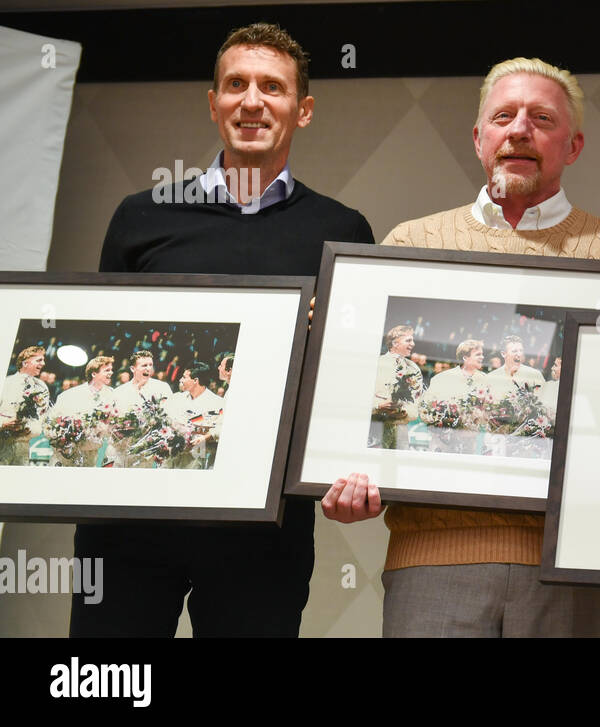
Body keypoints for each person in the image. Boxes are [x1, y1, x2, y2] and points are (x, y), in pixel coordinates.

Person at [323, 57, 600, 637]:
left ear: (573, 144)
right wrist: (347, 470)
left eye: (542, 118)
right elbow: (362, 414)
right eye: (503, 116)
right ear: (480, 138)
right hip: (432, 559)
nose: (520, 129)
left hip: (574, 566)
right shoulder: (410, 246)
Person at [74, 22, 375, 638]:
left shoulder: (343, 232)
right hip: (131, 515)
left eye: (273, 87)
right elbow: (111, 346)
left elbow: (346, 381)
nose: (252, 101)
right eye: (235, 84)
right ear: (214, 104)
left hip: (264, 526)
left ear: (304, 109)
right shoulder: (140, 216)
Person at [44, 355, 115, 467]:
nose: (111, 373)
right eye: (107, 370)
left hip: (91, 454)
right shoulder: (69, 395)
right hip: (65, 454)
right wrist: (62, 440)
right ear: (94, 374)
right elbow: (51, 423)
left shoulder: (111, 395)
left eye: (111, 370)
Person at [108, 351, 173, 468]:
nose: (148, 368)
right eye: (144, 365)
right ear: (133, 368)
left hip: (149, 451)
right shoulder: (119, 391)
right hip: (123, 449)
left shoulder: (162, 388)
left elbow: (169, 417)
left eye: (150, 365)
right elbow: (111, 420)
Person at [161, 362, 224, 470]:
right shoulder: (176, 398)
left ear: (195, 380)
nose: (181, 380)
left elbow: (220, 430)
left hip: (197, 456)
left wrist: (205, 437)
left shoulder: (217, 403)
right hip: (171, 454)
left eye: (184, 377)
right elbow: (163, 419)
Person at [371, 324, 423, 450]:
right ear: (395, 343)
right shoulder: (376, 363)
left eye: (413, 340)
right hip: (376, 428)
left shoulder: (413, 368)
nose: (413, 344)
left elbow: (417, 399)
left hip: (401, 430)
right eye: (408, 340)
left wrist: (403, 411)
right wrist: (378, 406)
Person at [0, 345, 52, 466]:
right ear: (25, 363)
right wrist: (3, 424)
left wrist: (28, 428)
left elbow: (41, 418)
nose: (43, 363)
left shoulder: (42, 386)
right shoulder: (5, 383)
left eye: (43, 360)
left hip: (23, 448)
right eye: (39, 360)